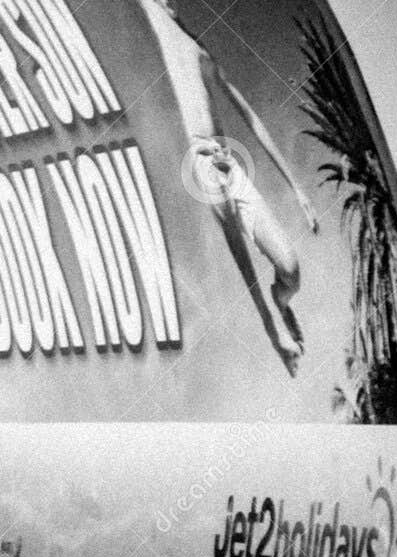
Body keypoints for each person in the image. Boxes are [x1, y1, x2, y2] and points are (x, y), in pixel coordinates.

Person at [138, 0, 318, 374]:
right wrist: (275, 336)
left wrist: (298, 190)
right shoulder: (155, 20)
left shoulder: (202, 51)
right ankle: (273, 333)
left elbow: (251, 117)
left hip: (229, 163)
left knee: (292, 270)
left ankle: (281, 303)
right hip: (202, 162)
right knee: (242, 255)